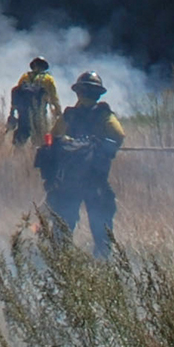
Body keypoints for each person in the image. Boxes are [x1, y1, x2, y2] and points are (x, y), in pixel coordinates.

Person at [39, 70, 124, 255]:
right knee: (101, 229)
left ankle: (61, 265)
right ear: (98, 94)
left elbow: (53, 139)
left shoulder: (69, 115)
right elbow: (119, 136)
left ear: (79, 92)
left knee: (63, 227)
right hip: (95, 181)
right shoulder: (105, 115)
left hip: (68, 182)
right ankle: (103, 266)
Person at [7, 55, 61, 146]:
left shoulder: (25, 77)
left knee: (20, 139)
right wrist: (58, 111)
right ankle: (34, 157)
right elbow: (54, 97)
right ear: (44, 67)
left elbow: (17, 93)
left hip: (23, 112)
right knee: (39, 140)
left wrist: (13, 112)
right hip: (39, 113)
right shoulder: (48, 79)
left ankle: (16, 156)